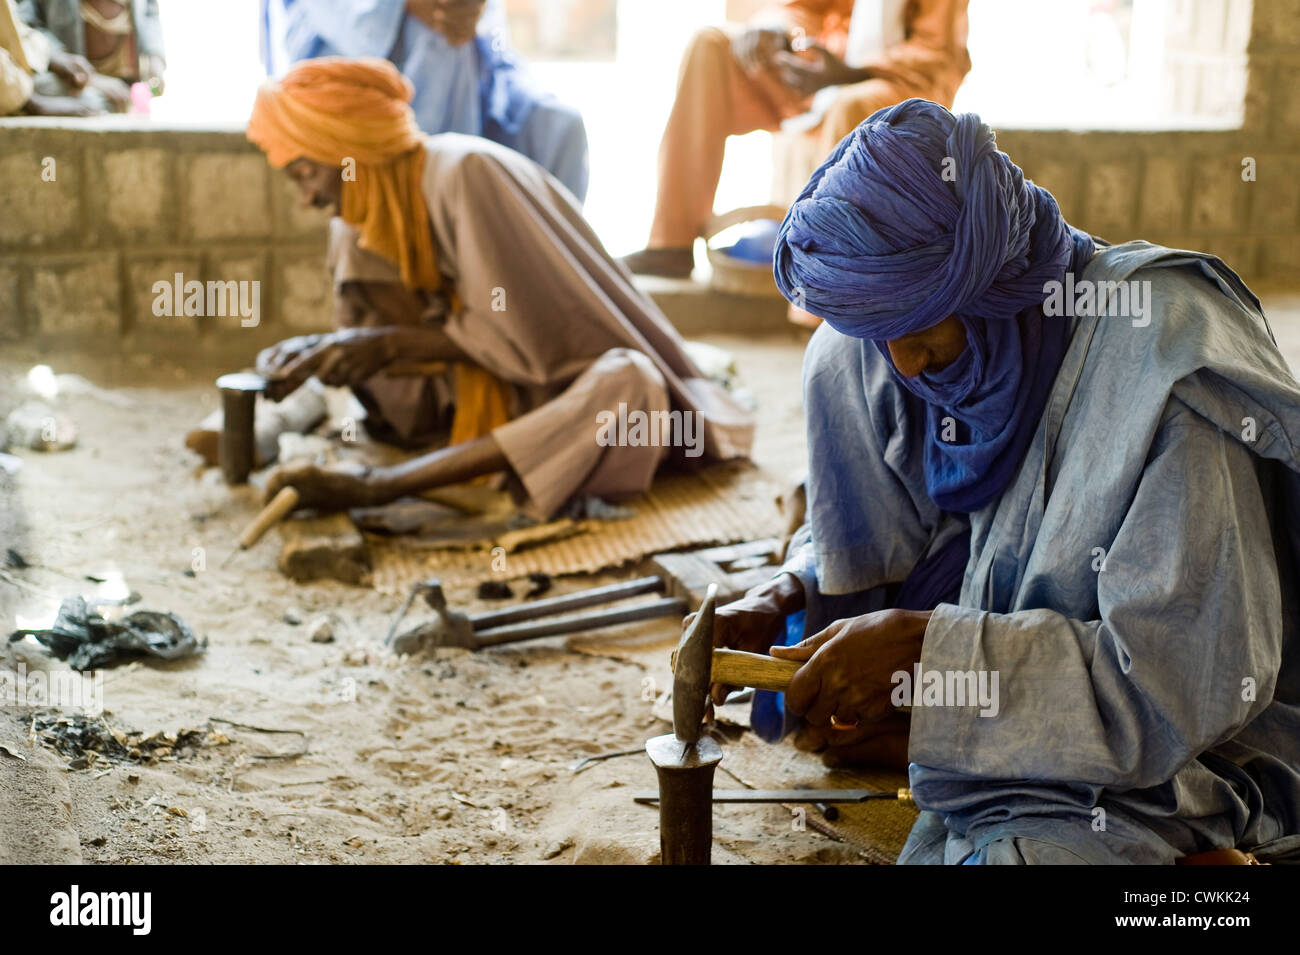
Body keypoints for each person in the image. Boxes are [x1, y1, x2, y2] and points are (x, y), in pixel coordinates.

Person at [706, 99, 1300, 864]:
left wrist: (929, 655)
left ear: (998, 288)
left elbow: (1180, 688)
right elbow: (921, 529)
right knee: (839, 357)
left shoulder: (1162, 368)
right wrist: (788, 590)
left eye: (922, 333)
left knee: (1032, 850)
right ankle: (929, 736)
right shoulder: (899, 352)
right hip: (982, 649)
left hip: (1175, 738)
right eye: (892, 337)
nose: (908, 364)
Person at [243, 57, 753, 521]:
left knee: (631, 382)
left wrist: (388, 346)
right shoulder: (365, 210)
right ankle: (469, 459)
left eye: (306, 173)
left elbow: (537, 343)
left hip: (563, 386)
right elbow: (401, 338)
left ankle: (383, 485)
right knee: (348, 235)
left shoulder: (465, 173)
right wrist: (327, 354)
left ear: (350, 151)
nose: (308, 197)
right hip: (489, 387)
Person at [621, 0, 970, 279]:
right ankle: (671, 246)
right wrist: (778, 31)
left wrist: (851, 73)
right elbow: (804, 8)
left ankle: (818, 297)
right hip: (819, 73)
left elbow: (937, 56)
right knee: (710, 44)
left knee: (852, 107)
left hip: (894, 84)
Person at [260, 0, 589, 203]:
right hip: (348, 57)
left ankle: (563, 274)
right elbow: (351, 22)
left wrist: (464, 11)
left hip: (477, 69)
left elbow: (491, 29)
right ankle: (441, 198)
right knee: (435, 43)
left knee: (561, 125)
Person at [18, 0, 165, 111]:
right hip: (69, 82)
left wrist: (154, 56)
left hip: (125, 86)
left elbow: (149, 11)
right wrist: (58, 59)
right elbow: (22, 24)